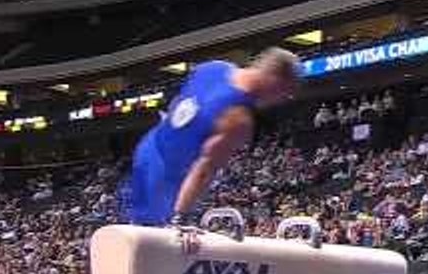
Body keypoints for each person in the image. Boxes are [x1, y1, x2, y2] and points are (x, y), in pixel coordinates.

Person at [128, 48, 300, 249]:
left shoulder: (214, 67)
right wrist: (180, 219)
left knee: (131, 247)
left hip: (149, 150)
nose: (281, 100)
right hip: (167, 180)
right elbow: (204, 171)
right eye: (285, 93)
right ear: (275, 81)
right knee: (152, 254)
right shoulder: (238, 119)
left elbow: (180, 102)